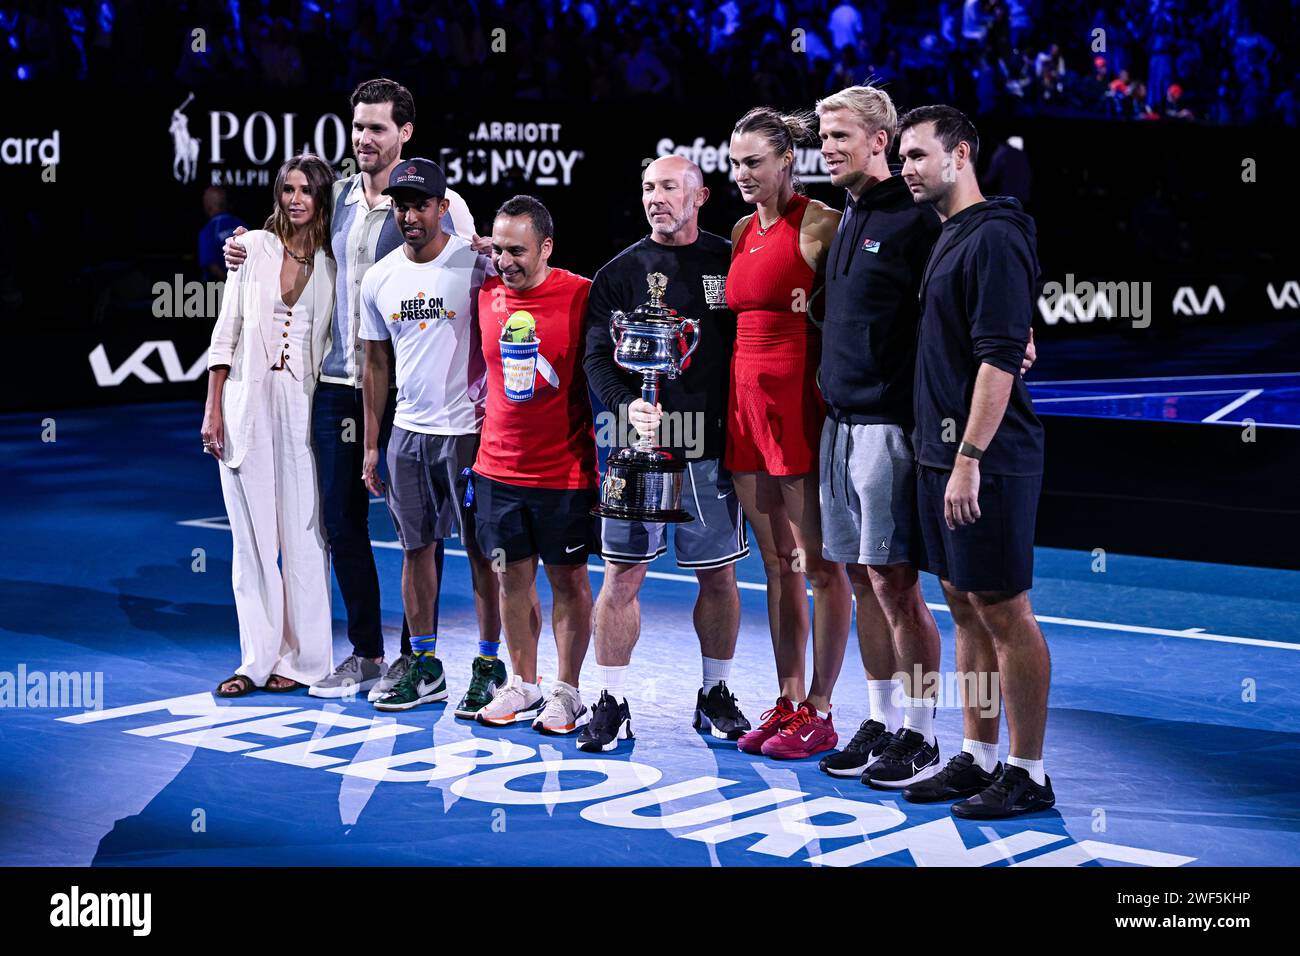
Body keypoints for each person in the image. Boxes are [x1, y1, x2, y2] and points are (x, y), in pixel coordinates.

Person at [224, 78, 493, 702]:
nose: (364, 138)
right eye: (358, 127)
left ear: (405, 132)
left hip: (415, 393)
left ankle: (415, 659)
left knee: (416, 533)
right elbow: (287, 245)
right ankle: (367, 653)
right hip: (339, 382)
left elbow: (472, 278)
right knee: (339, 523)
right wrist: (242, 246)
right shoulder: (337, 198)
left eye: (377, 127)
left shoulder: (440, 204)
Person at [898, 104, 1054, 817]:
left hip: (986, 457)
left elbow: (999, 358)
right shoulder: (950, 233)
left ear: (960, 156)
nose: (907, 168)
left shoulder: (994, 234)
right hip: (943, 452)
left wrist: (969, 458)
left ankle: (1028, 771)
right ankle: (980, 755)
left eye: (919, 155)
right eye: (901, 157)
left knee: (1003, 609)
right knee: (964, 606)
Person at [580, 155, 752, 752]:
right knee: (621, 576)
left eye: (669, 187)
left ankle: (715, 693)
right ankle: (611, 699)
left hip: (707, 445)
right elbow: (598, 360)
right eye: (648, 186)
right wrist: (627, 409)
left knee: (719, 574)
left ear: (700, 195)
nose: (656, 197)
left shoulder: (728, 265)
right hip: (637, 447)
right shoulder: (617, 274)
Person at [812, 85, 946, 786]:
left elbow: (955, 310)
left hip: (887, 431)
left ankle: (921, 734)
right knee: (861, 581)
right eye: (823, 137)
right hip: (837, 428)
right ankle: (882, 716)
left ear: (879, 141)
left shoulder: (917, 221)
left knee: (896, 586)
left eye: (839, 136)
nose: (827, 147)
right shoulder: (847, 218)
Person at [725, 107, 853, 760]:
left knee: (822, 567)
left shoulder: (822, 226)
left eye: (754, 162)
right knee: (778, 566)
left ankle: (823, 710)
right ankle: (787, 699)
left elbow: (874, 299)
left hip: (799, 413)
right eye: (734, 162)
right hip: (745, 414)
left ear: (786, 162)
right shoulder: (743, 229)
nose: (742, 174)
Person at [358, 158, 502, 714]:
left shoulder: (476, 264)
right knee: (416, 549)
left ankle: (489, 665)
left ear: (444, 207)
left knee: (481, 552)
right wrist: (373, 443)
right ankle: (424, 664)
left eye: (420, 204)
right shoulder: (380, 276)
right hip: (408, 434)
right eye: (401, 205)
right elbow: (374, 364)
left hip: (470, 433)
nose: (410, 215)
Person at [202, 154, 338, 697]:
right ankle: (255, 660)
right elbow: (225, 331)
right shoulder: (251, 247)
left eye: (307, 190)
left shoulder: (335, 261)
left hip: (306, 411)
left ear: (322, 196)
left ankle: (304, 661)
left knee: (306, 538)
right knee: (251, 541)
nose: (295, 199)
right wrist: (213, 407)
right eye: (287, 189)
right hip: (245, 404)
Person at [472, 196, 599, 734]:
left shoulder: (583, 294)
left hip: (564, 474)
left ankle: (565, 692)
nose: (505, 261)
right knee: (511, 581)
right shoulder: (484, 289)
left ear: (547, 247)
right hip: (496, 470)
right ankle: (523, 684)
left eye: (517, 250)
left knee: (568, 582)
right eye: (497, 249)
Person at [198, 186, 245, 281]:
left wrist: (230, 283)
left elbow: (211, 265)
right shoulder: (242, 225)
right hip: (245, 287)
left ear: (208, 206)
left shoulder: (208, 231)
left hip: (217, 290)